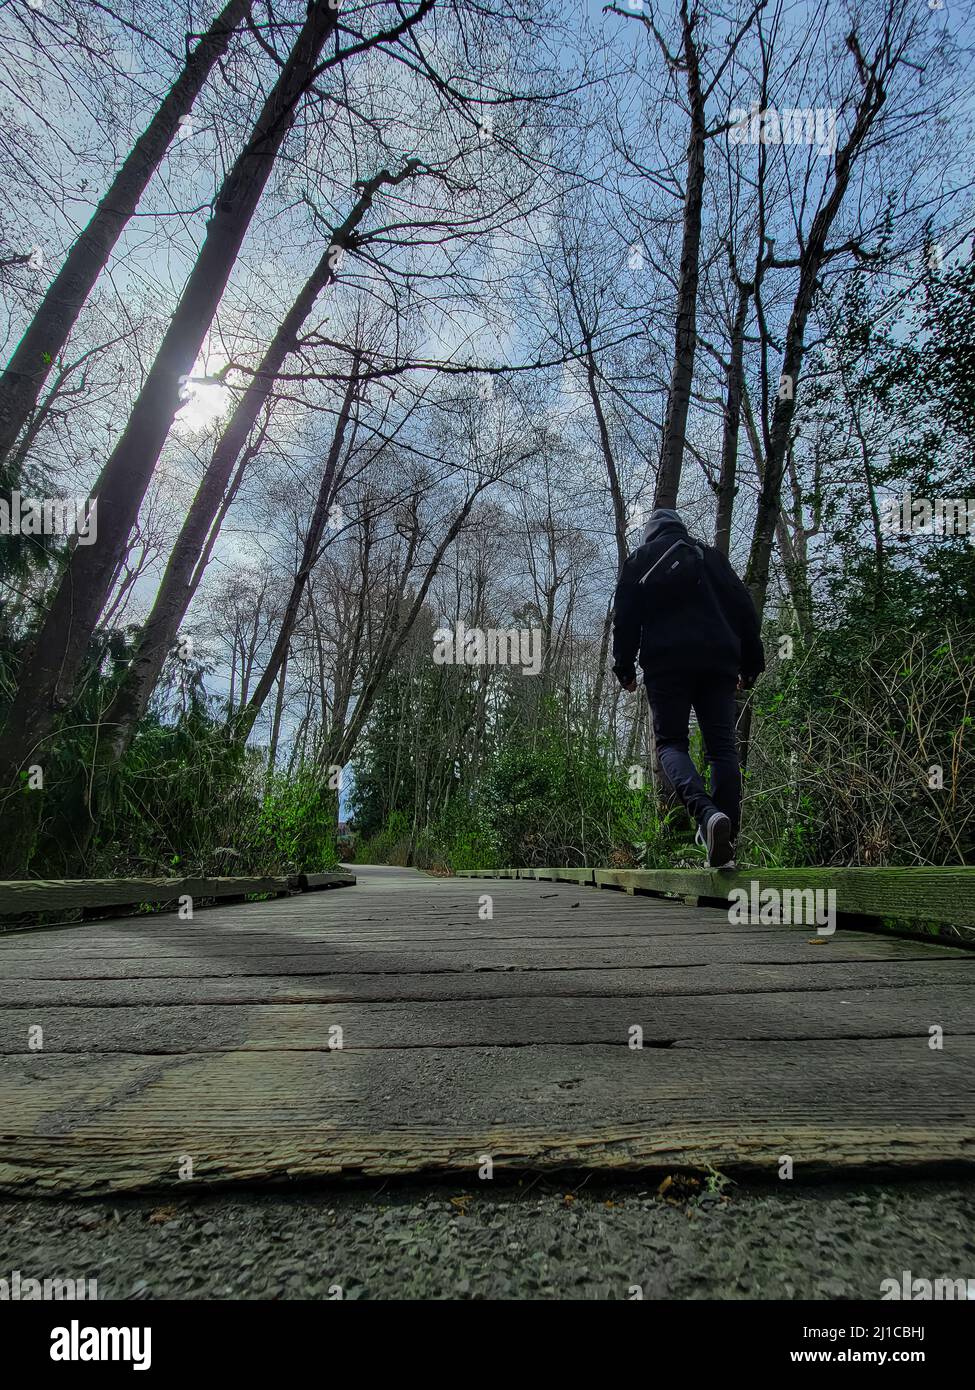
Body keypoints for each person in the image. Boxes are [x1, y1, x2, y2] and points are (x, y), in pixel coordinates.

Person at [612, 507, 765, 869]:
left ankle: (708, 816)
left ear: (650, 533)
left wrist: (624, 668)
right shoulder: (711, 557)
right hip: (719, 662)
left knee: (670, 744)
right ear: (679, 527)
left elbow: (626, 617)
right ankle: (725, 846)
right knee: (723, 749)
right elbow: (745, 610)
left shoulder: (640, 559)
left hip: (667, 664)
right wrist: (752, 664)